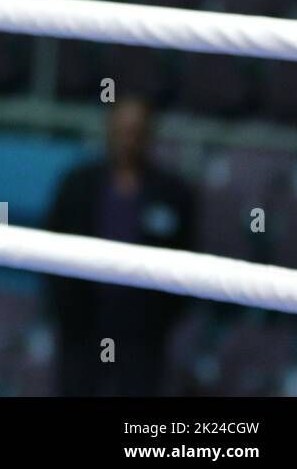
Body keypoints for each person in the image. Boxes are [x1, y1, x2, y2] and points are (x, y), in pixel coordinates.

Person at [45, 97, 194, 395]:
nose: (129, 139)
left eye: (136, 131)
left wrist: (158, 320)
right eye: (123, 129)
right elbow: (48, 248)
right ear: (110, 130)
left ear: (149, 134)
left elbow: (188, 261)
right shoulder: (76, 184)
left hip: (142, 332)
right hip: (82, 322)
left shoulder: (173, 192)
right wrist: (63, 310)